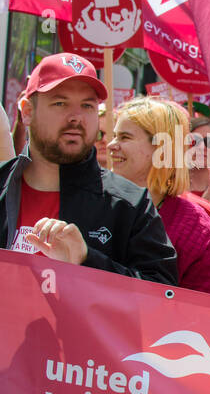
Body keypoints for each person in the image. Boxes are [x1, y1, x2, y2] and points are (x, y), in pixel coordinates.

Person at [0, 54, 176, 285]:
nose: (76, 117)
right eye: (60, 103)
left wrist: (87, 260)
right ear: (27, 112)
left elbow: (163, 298)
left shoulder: (129, 204)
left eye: (87, 105)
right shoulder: (3, 186)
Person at [107, 97, 210, 295]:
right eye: (114, 135)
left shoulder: (198, 230)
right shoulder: (93, 203)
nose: (111, 145)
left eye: (124, 137)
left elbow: (204, 313)